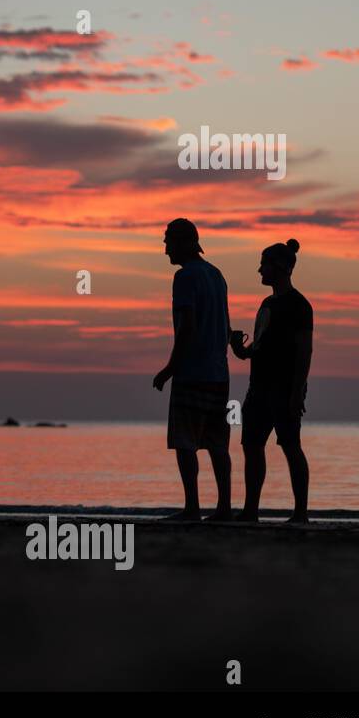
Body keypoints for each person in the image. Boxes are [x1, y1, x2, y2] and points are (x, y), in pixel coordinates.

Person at [152, 218, 233, 521]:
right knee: (216, 443)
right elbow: (225, 325)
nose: (165, 250)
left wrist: (170, 368)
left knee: (186, 441)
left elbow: (186, 327)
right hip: (218, 374)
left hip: (192, 372)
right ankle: (224, 507)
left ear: (183, 243)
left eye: (168, 242)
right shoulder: (216, 275)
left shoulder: (185, 278)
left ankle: (192, 508)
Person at [230, 239, 313, 523]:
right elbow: (261, 345)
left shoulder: (299, 306)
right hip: (258, 388)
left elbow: (304, 350)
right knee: (252, 445)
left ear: (279, 267)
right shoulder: (266, 303)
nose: (259, 270)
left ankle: (300, 513)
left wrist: (297, 392)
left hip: (284, 388)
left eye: (263, 264)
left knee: (290, 445)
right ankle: (251, 510)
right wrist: (241, 350)